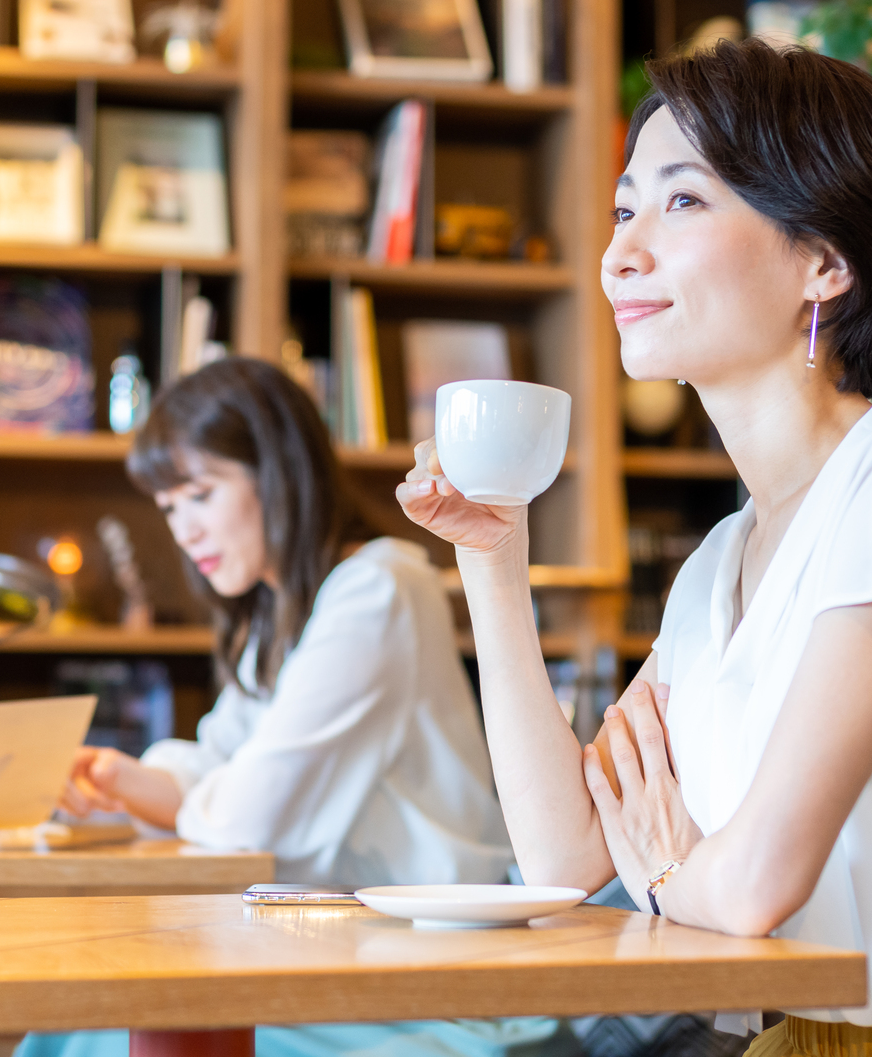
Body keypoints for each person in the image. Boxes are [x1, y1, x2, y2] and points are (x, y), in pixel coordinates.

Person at [401, 38, 872, 1057]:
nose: (618, 250)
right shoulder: (720, 562)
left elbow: (755, 882)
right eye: (624, 207)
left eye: (680, 202)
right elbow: (563, 850)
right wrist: (492, 558)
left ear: (824, 262)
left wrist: (672, 867)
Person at [39, 358, 567, 1057]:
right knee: (85, 1014)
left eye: (199, 494)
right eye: (169, 508)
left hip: (448, 984)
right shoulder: (281, 612)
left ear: (277, 472)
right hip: (360, 955)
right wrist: (124, 778)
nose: (184, 529)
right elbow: (220, 759)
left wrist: (162, 791)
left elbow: (251, 818)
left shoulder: (378, 588)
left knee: (96, 1026)